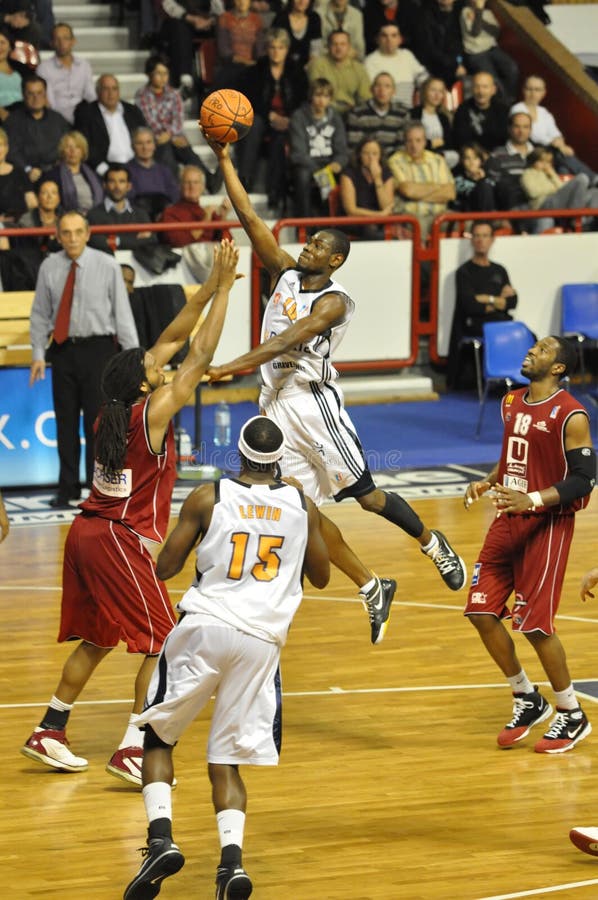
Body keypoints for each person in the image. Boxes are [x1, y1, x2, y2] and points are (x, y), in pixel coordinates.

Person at [204, 136, 468, 645]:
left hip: (314, 405)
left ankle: (432, 543)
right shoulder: (284, 273)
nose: (309, 247)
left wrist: (228, 369)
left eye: (320, 246)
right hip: (274, 405)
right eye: (309, 241)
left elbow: (287, 339)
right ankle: (372, 585)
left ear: (336, 260)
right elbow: (248, 216)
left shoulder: (335, 302)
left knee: (367, 498)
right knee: (298, 506)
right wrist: (224, 158)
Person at [21, 239, 239, 780]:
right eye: (152, 366)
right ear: (144, 383)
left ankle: (49, 729)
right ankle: (135, 748)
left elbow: (172, 338)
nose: (159, 363)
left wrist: (208, 287)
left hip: (86, 534)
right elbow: (197, 355)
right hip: (118, 539)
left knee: (98, 639)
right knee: (165, 641)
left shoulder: (112, 412)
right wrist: (227, 294)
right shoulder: (152, 415)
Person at [122, 415, 330, 900]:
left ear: (239, 453)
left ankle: (160, 841)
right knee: (227, 759)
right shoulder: (302, 506)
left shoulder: (208, 497)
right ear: (279, 458)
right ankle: (231, 866)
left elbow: (166, 566)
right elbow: (321, 576)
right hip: (261, 641)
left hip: (206, 627)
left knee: (157, 738)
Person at [463, 335, 595, 753]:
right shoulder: (510, 402)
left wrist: (532, 499)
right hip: (507, 520)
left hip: (548, 524)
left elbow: (584, 480)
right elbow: (514, 455)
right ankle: (527, 697)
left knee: (537, 626)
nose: (531, 350)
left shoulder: (571, 414)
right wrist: (489, 480)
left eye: (543, 349)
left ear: (558, 367)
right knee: (481, 611)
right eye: (534, 346)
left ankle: (571, 713)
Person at [29, 211, 139, 507]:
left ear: (88, 233)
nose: (73, 238)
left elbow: (122, 313)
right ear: (58, 235)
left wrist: (133, 360)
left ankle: (97, 488)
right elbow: (40, 314)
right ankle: (67, 488)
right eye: (66, 232)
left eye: (78, 231)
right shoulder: (49, 266)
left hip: (99, 352)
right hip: (63, 350)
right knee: (65, 423)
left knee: (97, 424)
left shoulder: (107, 265)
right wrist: (38, 353)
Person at [233, 27, 307, 207]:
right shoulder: (256, 70)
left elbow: (302, 100)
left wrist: (290, 119)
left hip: (290, 120)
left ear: (287, 49)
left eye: (280, 48)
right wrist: (270, 115)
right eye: (272, 47)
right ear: (267, 49)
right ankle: (245, 180)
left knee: (279, 140)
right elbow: (251, 99)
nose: (276, 52)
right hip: (263, 117)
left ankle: (274, 192)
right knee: (254, 124)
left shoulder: (297, 71)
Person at [446, 220, 517, 389]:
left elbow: (512, 301)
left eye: (485, 236)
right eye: (477, 236)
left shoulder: (500, 270)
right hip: (476, 324)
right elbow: (470, 306)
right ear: (471, 239)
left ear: (492, 239)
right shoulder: (464, 272)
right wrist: (498, 301)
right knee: (499, 329)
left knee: (526, 334)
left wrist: (487, 299)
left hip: (500, 321)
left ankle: (523, 381)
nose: (480, 240)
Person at [134, 53, 220, 191]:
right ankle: (174, 187)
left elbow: (178, 121)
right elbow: (150, 121)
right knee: (167, 149)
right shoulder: (141, 95)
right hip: (155, 139)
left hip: (172, 137)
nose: (163, 78)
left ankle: (210, 181)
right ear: (149, 74)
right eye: (158, 73)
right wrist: (169, 136)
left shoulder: (174, 94)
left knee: (185, 149)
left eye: (165, 73)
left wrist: (169, 135)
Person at [510, 75, 596, 181]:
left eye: (537, 90)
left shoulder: (544, 112)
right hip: (532, 149)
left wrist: (561, 145)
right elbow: (531, 134)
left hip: (551, 151)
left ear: (543, 93)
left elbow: (556, 133)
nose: (533, 94)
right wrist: (556, 145)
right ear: (523, 90)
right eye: (529, 89)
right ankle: (592, 178)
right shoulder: (517, 109)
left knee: (563, 166)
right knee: (561, 155)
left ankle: (569, 186)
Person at [288, 77, 349, 219]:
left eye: (326, 96)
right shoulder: (299, 117)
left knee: (349, 174)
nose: (321, 100)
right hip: (307, 165)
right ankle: (304, 225)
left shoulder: (336, 118)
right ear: (311, 96)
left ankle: (339, 224)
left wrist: (338, 163)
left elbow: (342, 150)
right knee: (302, 175)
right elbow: (298, 153)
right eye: (318, 95)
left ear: (330, 99)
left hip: (329, 165)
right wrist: (321, 171)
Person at [388, 119, 456, 243]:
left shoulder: (437, 160)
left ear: (425, 141)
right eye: (410, 141)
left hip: (440, 213)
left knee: (467, 223)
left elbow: (450, 193)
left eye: (418, 140)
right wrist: (437, 187)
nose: (414, 146)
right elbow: (407, 191)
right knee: (418, 225)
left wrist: (417, 193)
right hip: (411, 214)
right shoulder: (395, 160)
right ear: (404, 142)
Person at [74, 74, 147, 176]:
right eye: (106, 89)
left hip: (135, 165)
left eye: (114, 89)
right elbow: (84, 146)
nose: (111, 93)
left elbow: (145, 136)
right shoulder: (86, 114)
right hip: (106, 167)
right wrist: (105, 172)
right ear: (98, 92)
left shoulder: (132, 111)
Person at [4, 74, 70, 185]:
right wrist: (27, 169)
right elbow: (11, 151)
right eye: (31, 93)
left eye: (39, 93)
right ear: (23, 95)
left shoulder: (58, 119)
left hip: (57, 173)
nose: (36, 98)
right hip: (24, 175)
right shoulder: (12, 121)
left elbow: (68, 144)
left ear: (45, 94)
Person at [520, 146, 598, 233]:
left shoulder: (549, 173)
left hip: (558, 201)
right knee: (582, 178)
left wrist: (553, 175)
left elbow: (561, 187)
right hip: (543, 204)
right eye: (543, 161)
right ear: (535, 162)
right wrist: (553, 189)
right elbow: (533, 192)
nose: (547, 165)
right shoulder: (528, 173)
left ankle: (590, 222)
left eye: (549, 162)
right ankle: (574, 218)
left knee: (595, 192)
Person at [87, 162, 158, 255]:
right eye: (112, 181)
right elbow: (95, 242)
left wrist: (113, 241)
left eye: (122, 181)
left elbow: (152, 239)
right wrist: (135, 240)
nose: (117, 187)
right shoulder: (93, 214)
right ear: (104, 185)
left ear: (129, 186)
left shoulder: (141, 213)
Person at [36, 22, 96, 124]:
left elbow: (90, 94)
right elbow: (49, 102)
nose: (62, 43)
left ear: (73, 41)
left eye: (66, 38)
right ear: (51, 43)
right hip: (57, 117)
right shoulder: (44, 68)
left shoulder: (84, 65)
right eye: (57, 39)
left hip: (83, 114)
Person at [460, 0, 519, 103]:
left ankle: (510, 100)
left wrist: (479, 19)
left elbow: (496, 31)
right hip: (476, 53)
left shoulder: (488, 12)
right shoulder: (466, 11)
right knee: (493, 80)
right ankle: (505, 105)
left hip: (491, 49)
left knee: (512, 68)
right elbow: (475, 32)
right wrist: (479, 10)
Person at [161, 163, 231, 248]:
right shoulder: (170, 213)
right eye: (187, 182)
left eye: (196, 182)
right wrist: (205, 221)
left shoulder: (208, 212)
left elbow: (228, 243)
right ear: (180, 186)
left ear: (202, 187)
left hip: (211, 254)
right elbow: (180, 242)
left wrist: (223, 218)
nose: (192, 186)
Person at [339, 137, 395, 239]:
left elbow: (387, 207)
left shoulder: (386, 174)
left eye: (375, 154)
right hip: (356, 221)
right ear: (359, 155)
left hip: (380, 221)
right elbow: (351, 210)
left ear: (380, 156)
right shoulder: (349, 174)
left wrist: (377, 179)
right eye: (366, 153)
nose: (371, 158)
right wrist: (379, 215)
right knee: (371, 231)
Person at [306, 29, 371, 117]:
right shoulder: (317, 65)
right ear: (328, 46)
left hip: (352, 114)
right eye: (334, 44)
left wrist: (356, 112)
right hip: (324, 112)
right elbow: (317, 96)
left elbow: (365, 98)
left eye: (343, 44)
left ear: (349, 46)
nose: (339, 48)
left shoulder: (359, 68)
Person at [346, 71, 410, 156]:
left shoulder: (402, 114)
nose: (382, 90)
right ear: (371, 89)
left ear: (394, 91)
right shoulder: (357, 114)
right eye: (378, 86)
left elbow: (402, 147)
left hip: (394, 161)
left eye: (387, 86)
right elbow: (354, 148)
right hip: (366, 159)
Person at [365, 22, 428, 107]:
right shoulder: (369, 61)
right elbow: (369, 94)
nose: (389, 40)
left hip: (407, 109)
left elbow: (424, 79)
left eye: (394, 35)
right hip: (383, 110)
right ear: (377, 40)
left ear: (400, 39)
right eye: (384, 36)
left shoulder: (407, 55)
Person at [44, 130, 104, 214]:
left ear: (83, 151)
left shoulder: (94, 175)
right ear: (62, 151)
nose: (72, 151)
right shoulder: (52, 176)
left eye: (77, 147)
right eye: (68, 147)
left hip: (95, 217)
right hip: (67, 217)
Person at [127, 126, 180, 220]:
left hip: (164, 219)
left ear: (154, 145)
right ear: (132, 146)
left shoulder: (164, 170)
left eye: (148, 142)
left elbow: (175, 197)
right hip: (137, 219)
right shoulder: (126, 171)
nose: (145, 147)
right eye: (140, 143)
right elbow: (128, 201)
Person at [213, 0, 267, 91]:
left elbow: (260, 50)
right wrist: (248, 62)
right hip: (229, 66)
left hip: (252, 67)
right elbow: (224, 52)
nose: (242, 2)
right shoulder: (224, 18)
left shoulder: (256, 19)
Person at [452, 70, 509, 154]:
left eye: (485, 87)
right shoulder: (463, 109)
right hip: (473, 156)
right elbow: (461, 140)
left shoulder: (503, 110)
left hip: (499, 154)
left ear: (493, 90)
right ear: (472, 89)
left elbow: (505, 138)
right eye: (477, 87)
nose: (481, 92)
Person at [410, 75, 457, 169]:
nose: (437, 95)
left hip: (441, 154)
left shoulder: (444, 117)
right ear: (425, 92)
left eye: (440, 91)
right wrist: (432, 143)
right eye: (433, 90)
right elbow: (413, 140)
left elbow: (449, 141)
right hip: (420, 153)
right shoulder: (414, 114)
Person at [271, 0, 322, 69]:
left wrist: (305, 69)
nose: (302, 1)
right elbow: (274, 47)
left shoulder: (314, 18)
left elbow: (315, 51)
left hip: (308, 68)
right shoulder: (280, 18)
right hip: (282, 67)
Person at [0, 124, 35, 221]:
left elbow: (31, 202)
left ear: (7, 148)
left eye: (0, 145)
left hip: (20, 223)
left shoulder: (19, 172)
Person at [451, 141, 495, 214]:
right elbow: (464, 196)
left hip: (488, 214)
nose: (472, 162)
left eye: (475, 158)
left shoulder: (489, 179)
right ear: (462, 160)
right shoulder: (457, 179)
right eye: (467, 158)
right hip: (466, 213)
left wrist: (482, 179)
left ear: (481, 161)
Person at [0, 27, 24, 121]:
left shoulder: (22, 69)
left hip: (24, 116)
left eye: (2, 42)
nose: (0, 47)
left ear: (10, 46)